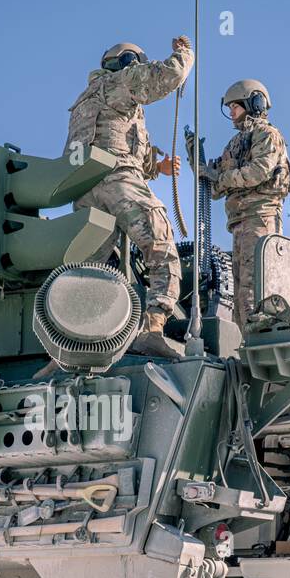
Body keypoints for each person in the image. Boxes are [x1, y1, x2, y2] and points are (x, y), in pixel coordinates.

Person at [65, 36, 194, 358]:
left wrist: (157, 166)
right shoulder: (123, 80)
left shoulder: (90, 96)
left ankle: (79, 342)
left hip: (84, 191)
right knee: (161, 245)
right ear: (128, 62)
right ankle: (153, 328)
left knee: (91, 269)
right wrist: (185, 54)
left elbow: (111, 139)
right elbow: (169, 75)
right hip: (117, 181)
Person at [193, 79, 290, 329]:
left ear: (253, 104)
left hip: (260, 218)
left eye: (236, 107)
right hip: (239, 223)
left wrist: (221, 177)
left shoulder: (267, 135)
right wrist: (199, 165)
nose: (232, 113)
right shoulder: (235, 144)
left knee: (254, 293)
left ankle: (258, 350)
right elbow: (215, 190)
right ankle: (246, 350)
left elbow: (258, 172)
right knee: (239, 300)